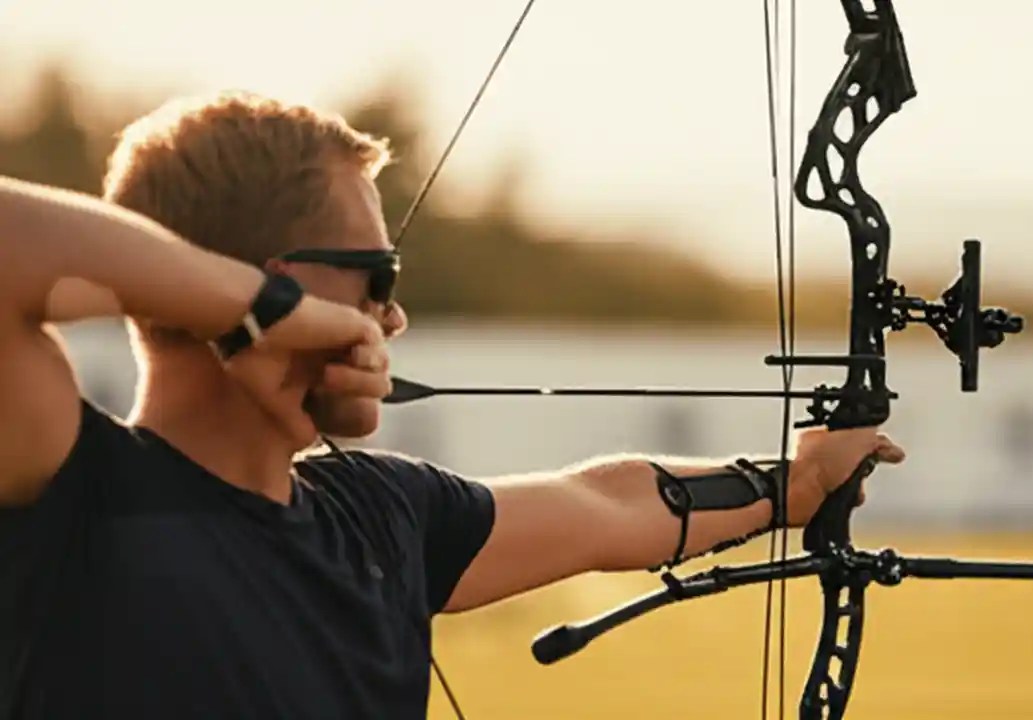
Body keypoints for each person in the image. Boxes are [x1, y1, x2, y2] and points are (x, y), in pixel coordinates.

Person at [0, 91, 905, 719]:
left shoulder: (378, 516)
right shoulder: (69, 486)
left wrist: (794, 485)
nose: (392, 314)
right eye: (375, 276)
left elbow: (605, 503)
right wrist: (272, 318)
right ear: (274, 281)